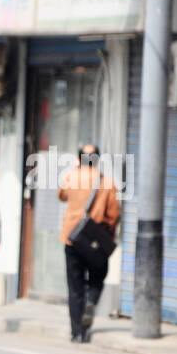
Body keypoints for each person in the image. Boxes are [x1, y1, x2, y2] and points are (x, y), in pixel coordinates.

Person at [58, 144, 120, 343]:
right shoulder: (107, 183)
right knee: (97, 278)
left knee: (74, 287)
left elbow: (61, 195)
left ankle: (77, 332)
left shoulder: (71, 177)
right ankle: (91, 302)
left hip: (72, 238)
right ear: (98, 160)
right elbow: (114, 215)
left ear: (78, 159)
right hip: (95, 240)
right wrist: (107, 232)